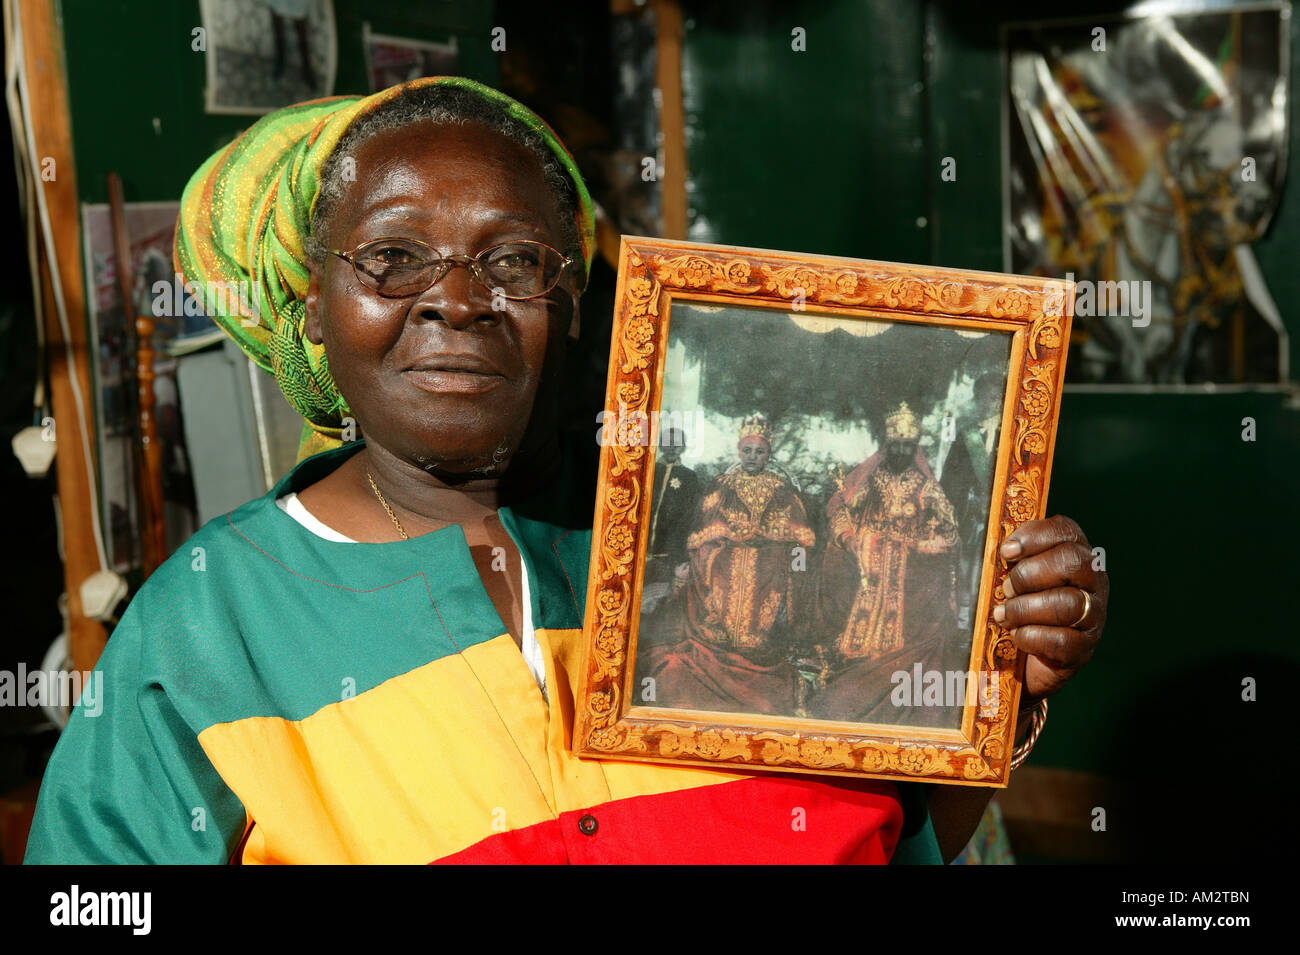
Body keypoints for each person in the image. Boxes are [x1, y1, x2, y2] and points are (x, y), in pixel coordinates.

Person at [24, 77, 1109, 864]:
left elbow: (897, 843)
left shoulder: (677, 552)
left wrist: (988, 679)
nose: (456, 298)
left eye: (512, 261)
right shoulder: (205, 633)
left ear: (571, 306)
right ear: (315, 305)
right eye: (393, 257)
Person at [636, 415, 815, 716]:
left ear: (768, 453)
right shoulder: (723, 485)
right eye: (747, 451)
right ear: (738, 451)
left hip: (769, 557)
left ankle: (754, 653)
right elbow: (707, 525)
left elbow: (799, 532)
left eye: (759, 452)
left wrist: (767, 539)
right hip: (727, 554)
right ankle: (719, 649)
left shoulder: (782, 488)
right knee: (713, 562)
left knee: (769, 570)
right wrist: (727, 539)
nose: (752, 457)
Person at [812, 401, 965, 724]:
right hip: (866, 576)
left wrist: (922, 546)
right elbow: (842, 513)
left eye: (907, 446)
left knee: (903, 650)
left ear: (914, 448)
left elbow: (951, 535)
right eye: (895, 444)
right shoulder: (870, 480)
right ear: (887, 444)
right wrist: (850, 539)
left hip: (908, 582)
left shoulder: (927, 489)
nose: (900, 450)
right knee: (855, 649)